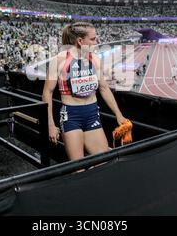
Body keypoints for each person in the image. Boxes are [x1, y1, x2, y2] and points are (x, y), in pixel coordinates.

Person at [42, 22, 128, 161]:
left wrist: (118, 115)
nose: (96, 41)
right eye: (93, 39)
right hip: (71, 116)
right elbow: (47, 93)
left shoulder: (95, 59)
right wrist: (50, 124)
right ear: (80, 41)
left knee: (103, 161)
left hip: (92, 114)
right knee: (78, 168)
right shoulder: (59, 60)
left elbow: (104, 88)